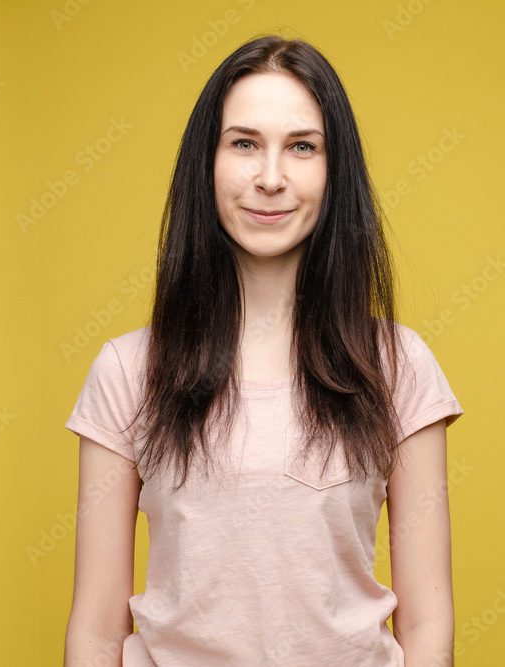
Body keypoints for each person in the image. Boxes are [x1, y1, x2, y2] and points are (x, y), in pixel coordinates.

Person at [64, 35, 462, 666]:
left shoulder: (399, 366)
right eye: (244, 143)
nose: (270, 178)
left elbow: (430, 624)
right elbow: (95, 632)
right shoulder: (128, 370)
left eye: (302, 147)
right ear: (208, 162)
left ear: (335, 172)